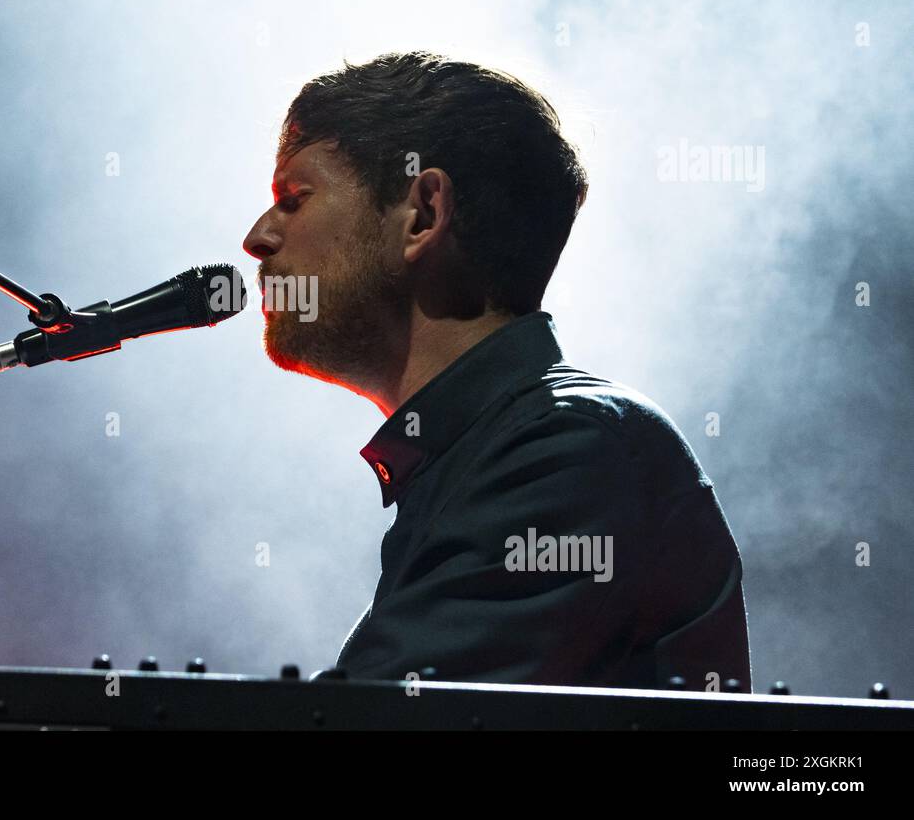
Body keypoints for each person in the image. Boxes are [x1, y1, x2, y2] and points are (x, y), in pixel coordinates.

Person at [241, 51, 752, 691]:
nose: (257, 237)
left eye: (293, 198)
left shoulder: (569, 451)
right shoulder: (503, 449)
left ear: (424, 214)